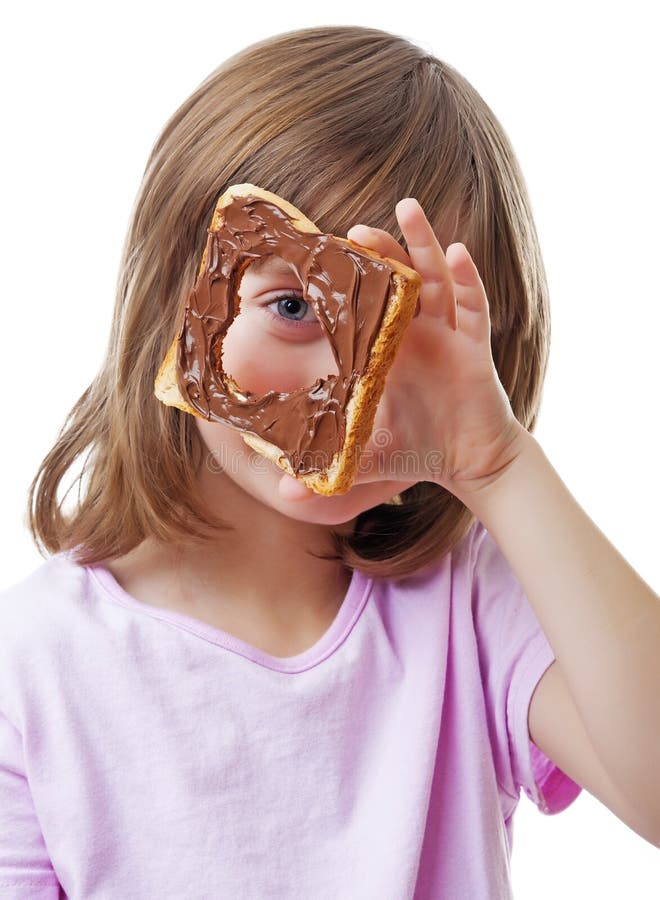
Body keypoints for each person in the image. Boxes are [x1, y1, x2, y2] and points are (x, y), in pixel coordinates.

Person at [1, 23, 658, 900]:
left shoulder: (471, 606)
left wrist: (499, 465)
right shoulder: (32, 665)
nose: (347, 392)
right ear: (173, 303)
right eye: (292, 307)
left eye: (410, 337)